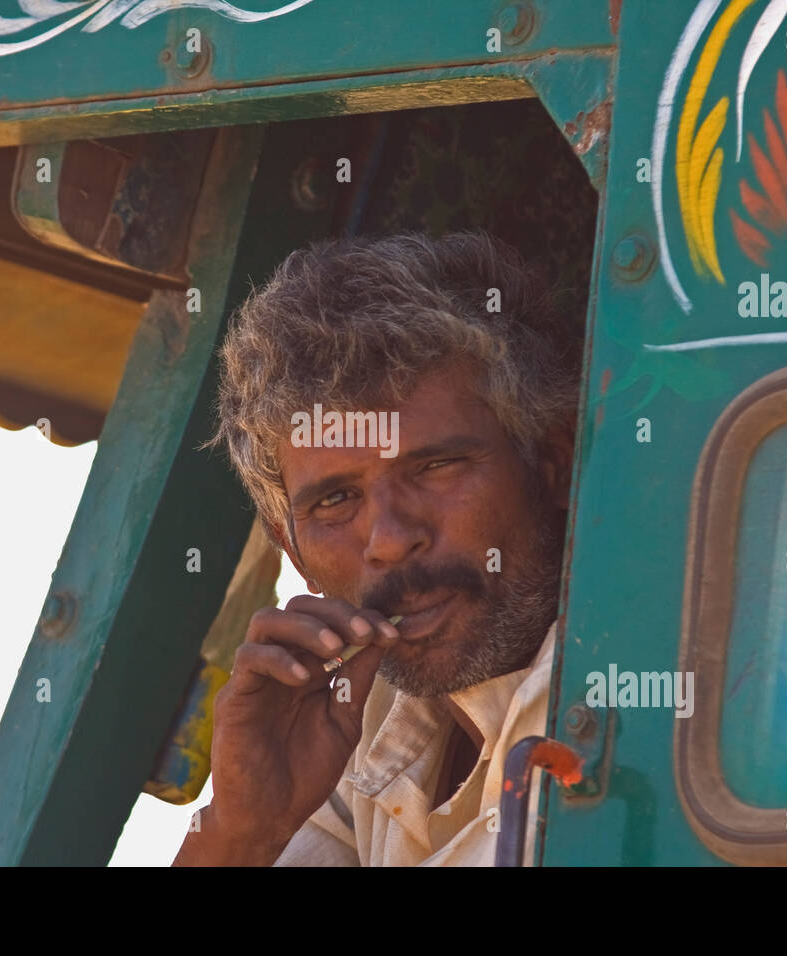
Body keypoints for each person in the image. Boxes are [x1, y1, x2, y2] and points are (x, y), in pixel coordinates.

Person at [172, 231, 580, 866]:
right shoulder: (362, 722)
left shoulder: (626, 679)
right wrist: (241, 830)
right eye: (335, 501)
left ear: (554, 463)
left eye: (438, 466)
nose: (390, 539)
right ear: (292, 547)